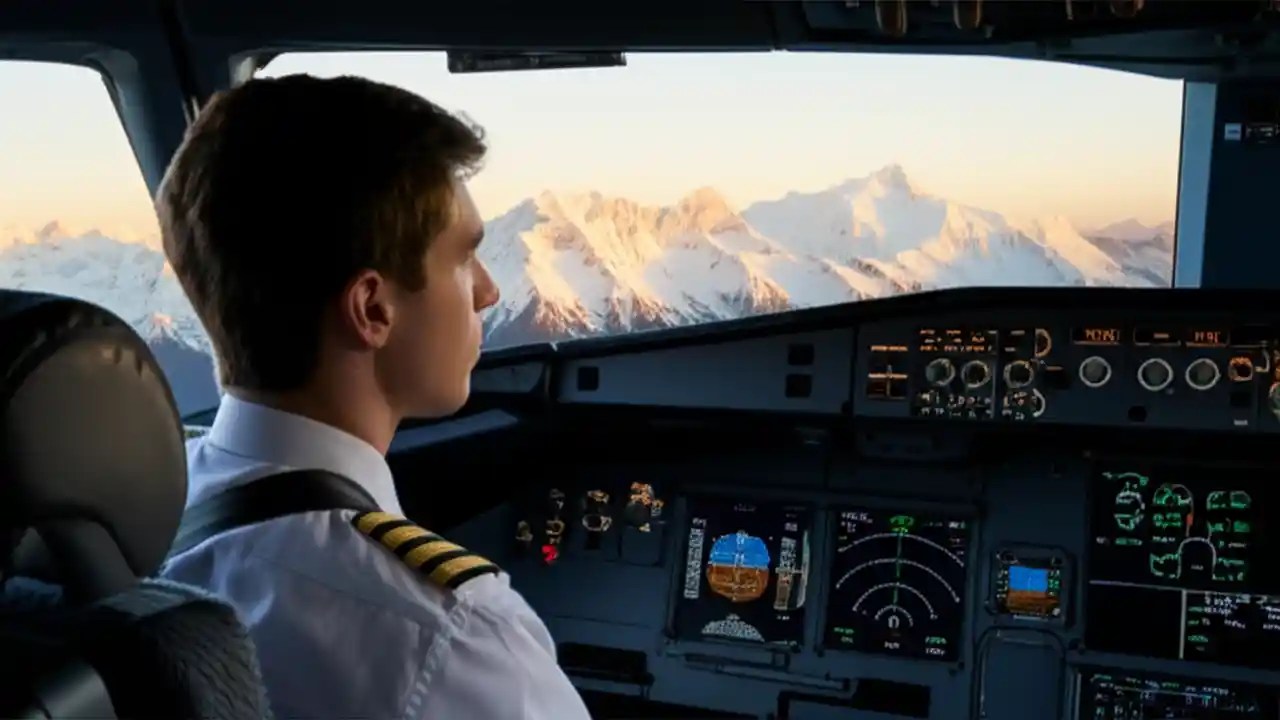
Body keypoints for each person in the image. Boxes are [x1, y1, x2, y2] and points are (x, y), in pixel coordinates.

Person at [156, 74, 591, 720]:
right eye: (464, 258)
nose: (489, 291)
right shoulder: (456, 643)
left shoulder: (134, 521)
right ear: (372, 308)